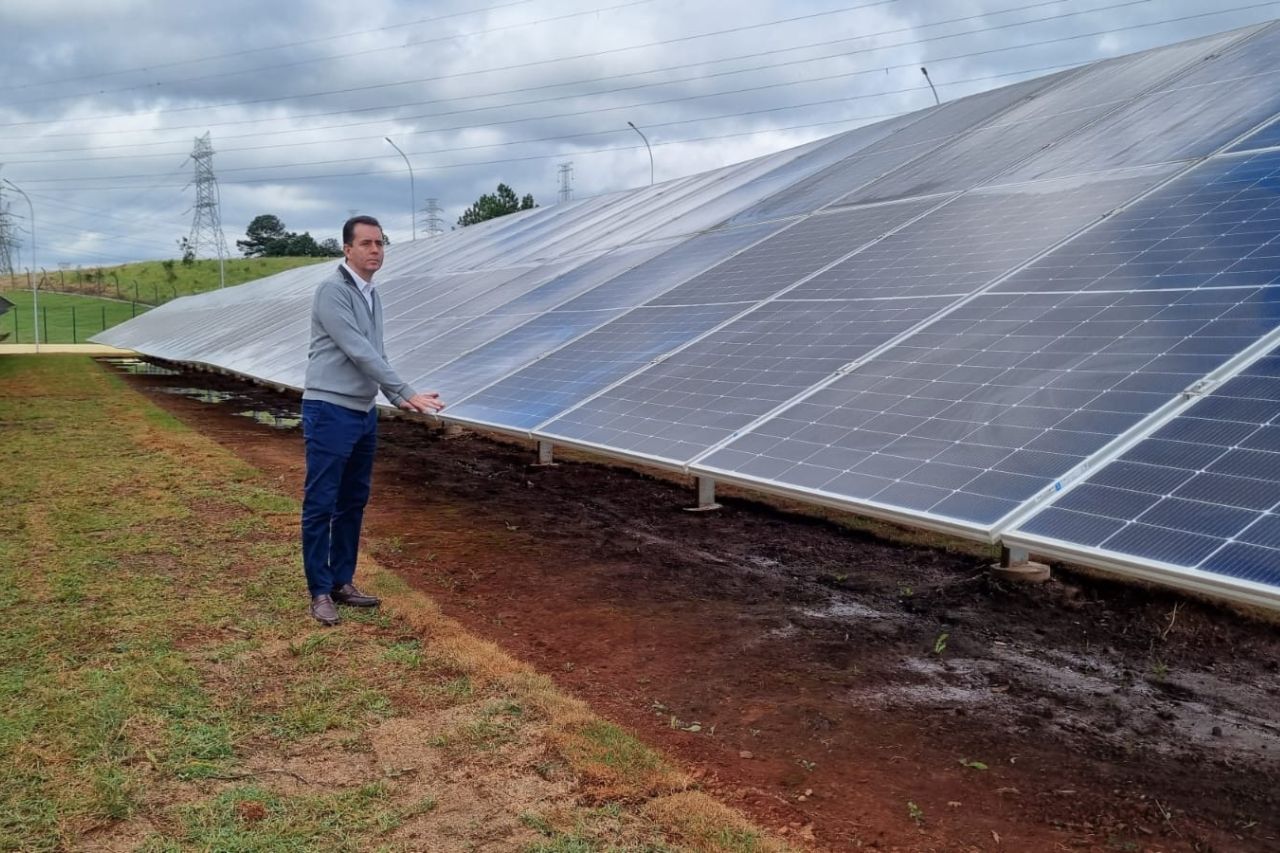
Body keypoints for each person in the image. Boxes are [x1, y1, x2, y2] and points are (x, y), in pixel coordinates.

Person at [301, 215, 444, 626]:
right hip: (330, 410)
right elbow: (358, 350)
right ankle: (319, 591)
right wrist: (405, 388)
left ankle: (343, 581)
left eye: (380, 243)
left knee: (353, 502)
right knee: (321, 503)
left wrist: (401, 397)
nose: (375, 250)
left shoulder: (371, 294)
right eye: (365, 244)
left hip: (362, 412)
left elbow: (376, 353)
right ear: (347, 249)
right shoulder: (332, 291)